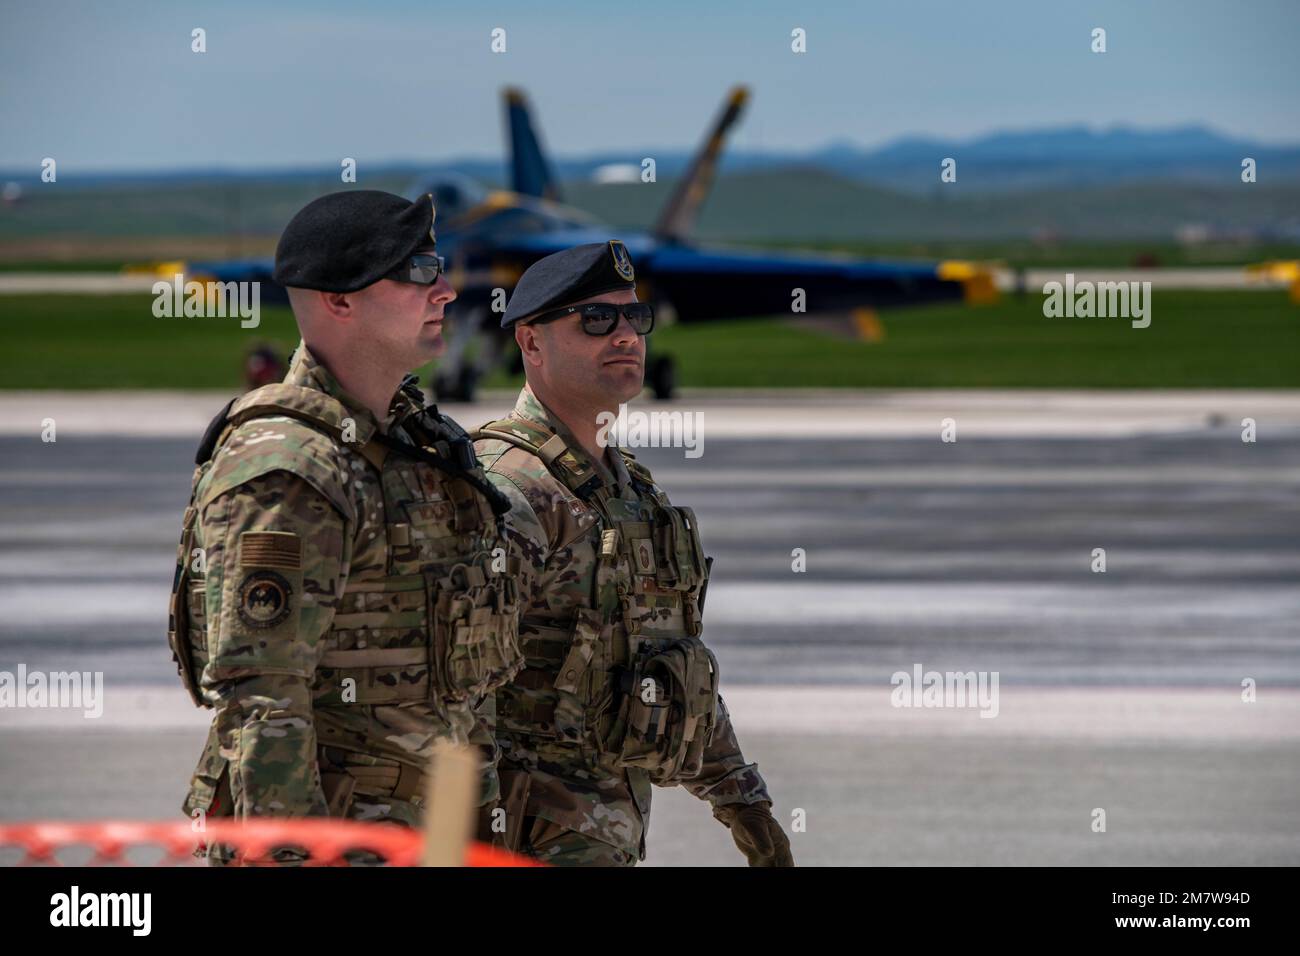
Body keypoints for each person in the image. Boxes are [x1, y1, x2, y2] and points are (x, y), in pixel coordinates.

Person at [166, 190, 522, 864]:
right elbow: (263, 697)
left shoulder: (416, 442)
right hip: (346, 840)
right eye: (419, 273)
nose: (445, 290)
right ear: (339, 300)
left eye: (439, 266)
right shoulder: (288, 468)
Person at [472, 240, 793, 866]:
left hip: (603, 835)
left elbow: (670, 660)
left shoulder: (628, 491)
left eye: (633, 317)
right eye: (596, 320)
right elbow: (454, 695)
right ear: (531, 343)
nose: (624, 334)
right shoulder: (507, 492)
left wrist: (743, 803)